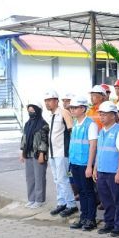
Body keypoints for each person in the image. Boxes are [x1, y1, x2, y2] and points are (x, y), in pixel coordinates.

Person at [93, 101, 119, 236]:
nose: (101, 117)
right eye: (100, 114)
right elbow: (99, 151)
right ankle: (109, 223)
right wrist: (96, 168)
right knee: (106, 200)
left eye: (104, 114)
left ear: (113, 116)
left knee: (118, 200)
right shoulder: (101, 132)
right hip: (102, 171)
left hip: (113, 172)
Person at [67, 95, 99, 230]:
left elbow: (93, 146)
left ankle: (91, 219)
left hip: (85, 164)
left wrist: (89, 166)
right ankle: (83, 217)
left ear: (82, 108)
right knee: (81, 191)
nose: (72, 110)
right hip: (74, 163)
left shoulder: (90, 124)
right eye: (71, 108)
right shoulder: (75, 124)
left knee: (88, 191)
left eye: (75, 108)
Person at [43, 90, 76, 218]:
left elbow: (71, 130)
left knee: (63, 179)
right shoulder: (51, 115)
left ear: (56, 101)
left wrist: (70, 152)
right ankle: (61, 202)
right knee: (57, 180)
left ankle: (71, 204)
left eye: (50, 100)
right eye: (46, 101)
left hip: (62, 152)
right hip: (53, 152)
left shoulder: (64, 113)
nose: (47, 103)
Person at [20, 100, 50, 209]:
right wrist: (22, 152)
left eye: (33, 110)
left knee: (39, 177)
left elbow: (44, 140)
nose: (31, 113)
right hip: (28, 154)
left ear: (38, 111)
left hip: (38, 155)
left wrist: (42, 154)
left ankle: (39, 200)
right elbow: (24, 138)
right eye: (29, 111)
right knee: (30, 177)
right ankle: (31, 199)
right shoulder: (27, 124)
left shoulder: (43, 124)